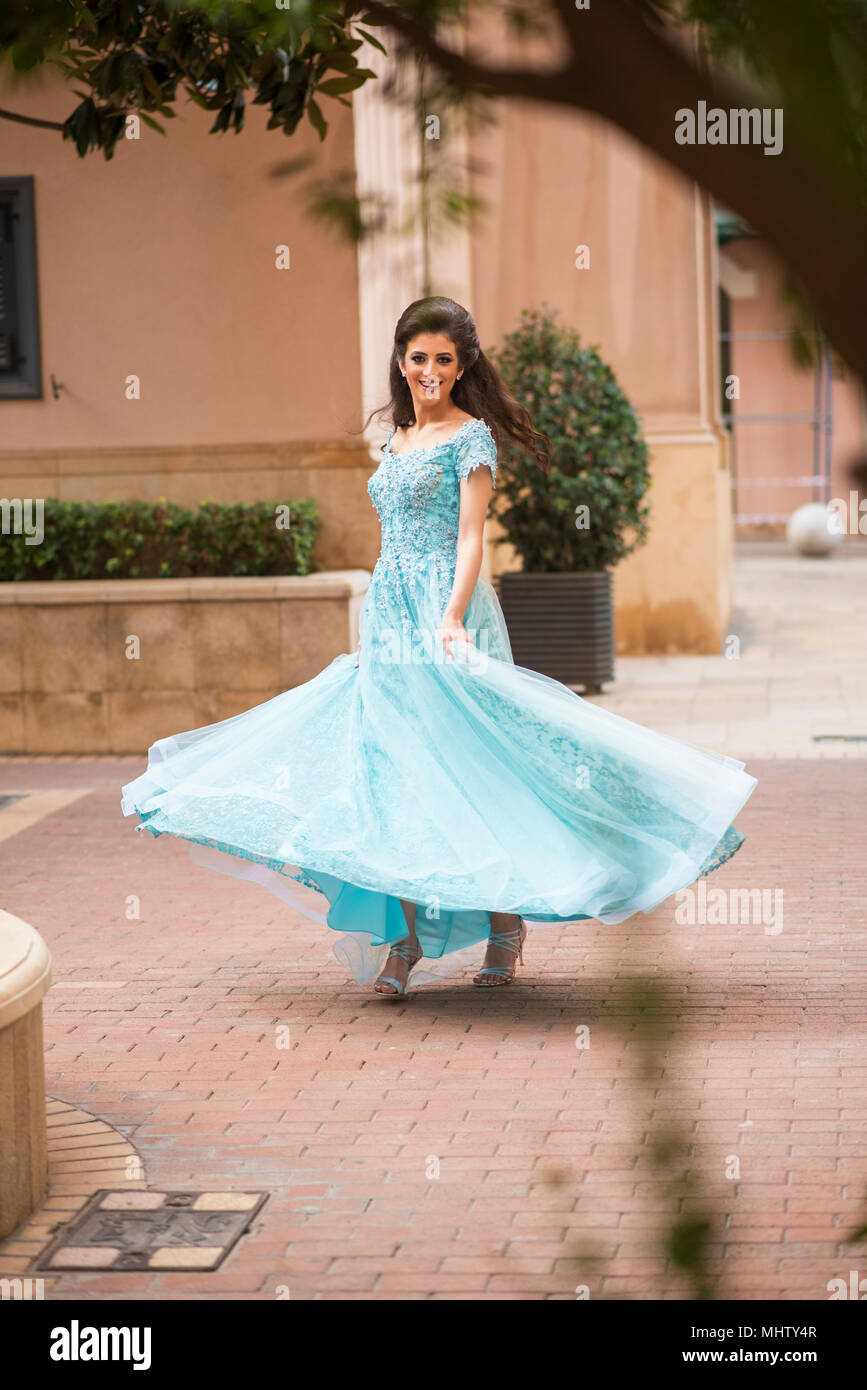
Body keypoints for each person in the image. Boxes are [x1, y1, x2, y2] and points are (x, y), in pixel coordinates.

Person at [121, 296, 757, 998]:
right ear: (400, 361)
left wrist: (451, 617)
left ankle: (504, 928)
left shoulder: (470, 438)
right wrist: (378, 624)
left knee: (474, 768)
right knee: (386, 772)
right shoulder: (393, 439)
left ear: (463, 366)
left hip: (447, 613)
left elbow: (470, 537)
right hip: (389, 613)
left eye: (443, 360)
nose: (429, 370)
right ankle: (402, 943)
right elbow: (389, 539)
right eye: (418, 357)